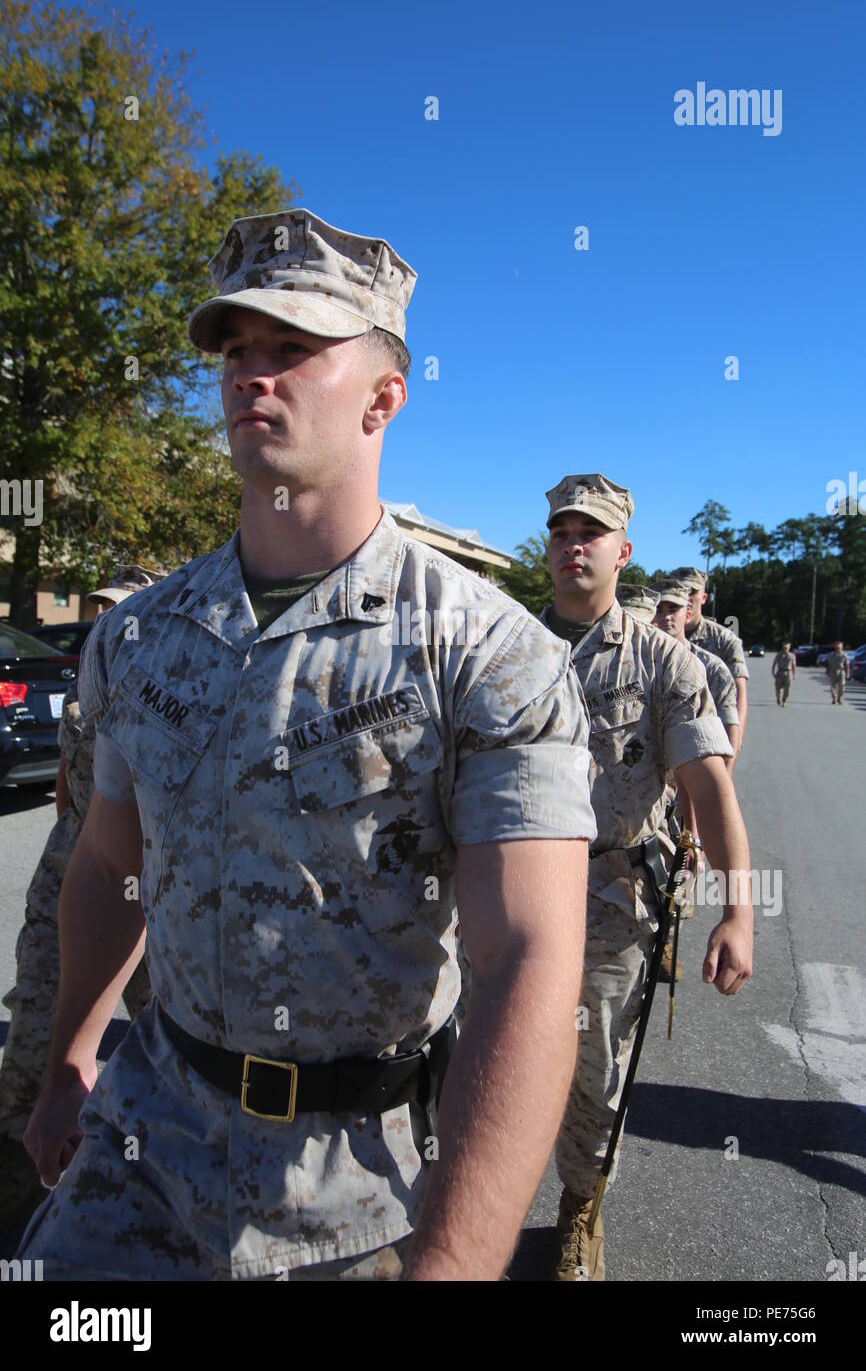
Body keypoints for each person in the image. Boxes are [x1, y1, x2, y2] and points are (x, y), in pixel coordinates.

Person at [18, 208, 597, 1282]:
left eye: (291, 349)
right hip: (144, 1145)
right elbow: (108, 862)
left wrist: (456, 1262)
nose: (252, 376)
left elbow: (525, 962)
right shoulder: (137, 635)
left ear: (384, 396)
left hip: (351, 1192)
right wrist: (66, 1057)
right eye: (235, 352)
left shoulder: (484, 652)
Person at [539, 474, 754, 1282]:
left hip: (610, 903)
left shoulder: (666, 661)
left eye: (590, 532)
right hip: (503, 900)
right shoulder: (509, 645)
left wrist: (741, 913)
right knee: (485, 1059)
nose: (573, 544)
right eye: (561, 531)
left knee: (594, 1073)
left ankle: (579, 1213)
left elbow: (710, 787)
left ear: (622, 552)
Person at [0, 567, 160, 1230]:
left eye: (119, 610)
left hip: (155, 906)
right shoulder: (83, 697)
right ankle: (17, 1200)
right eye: (100, 609)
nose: (106, 620)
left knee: (169, 1053)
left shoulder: (166, 695)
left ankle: (151, 1197)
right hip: (71, 889)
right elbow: (68, 796)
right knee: (36, 1045)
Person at [653, 581, 740, 761]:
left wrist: (726, 776)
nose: (666, 617)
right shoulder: (640, 664)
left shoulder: (712, 669)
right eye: (659, 609)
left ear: (688, 615)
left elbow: (729, 726)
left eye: (673, 609)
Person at [669, 566, 750, 755]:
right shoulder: (656, 636)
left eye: (692, 592)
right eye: (680, 590)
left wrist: (735, 740)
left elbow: (739, 693)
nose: (686, 597)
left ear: (704, 597)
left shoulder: (724, 640)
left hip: (710, 738)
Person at [771, 643, 796, 707]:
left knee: (787, 689)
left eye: (786, 648)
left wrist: (794, 675)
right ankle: (778, 698)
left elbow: (793, 666)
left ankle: (784, 701)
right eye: (784, 648)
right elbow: (774, 664)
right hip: (780, 672)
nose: (785, 649)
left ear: (789, 648)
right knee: (778, 688)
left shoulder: (792, 656)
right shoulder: (779, 655)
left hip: (788, 673)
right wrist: (773, 673)